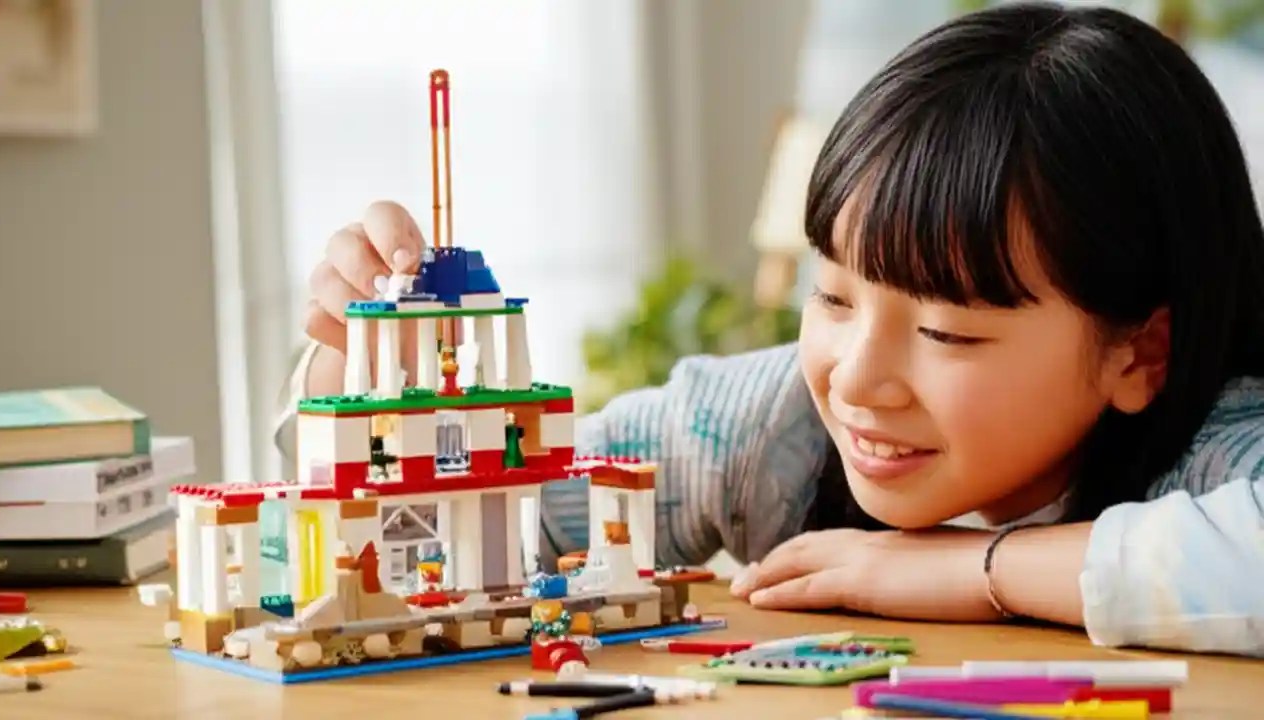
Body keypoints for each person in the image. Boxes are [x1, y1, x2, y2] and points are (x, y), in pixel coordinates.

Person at [280, 2, 1264, 657]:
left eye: (945, 333)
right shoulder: (756, 427)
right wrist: (356, 375)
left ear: (1137, 352)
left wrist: (963, 572)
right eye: (833, 299)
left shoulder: (1216, 448)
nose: (853, 381)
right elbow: (468, 534)